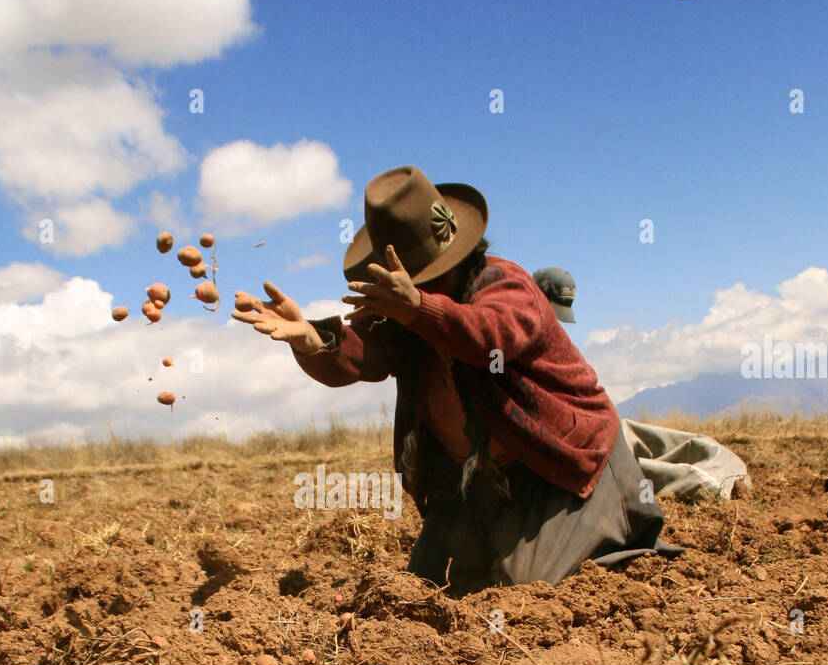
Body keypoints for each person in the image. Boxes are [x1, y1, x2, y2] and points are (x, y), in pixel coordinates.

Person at [232, 165, 680, 596]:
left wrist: (417, 308)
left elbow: (489, 339)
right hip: (478, 480)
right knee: (431, 585)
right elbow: (367, 353)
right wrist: (315, 339)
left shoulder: (505, 284)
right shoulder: (407, 319)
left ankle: (619, 520)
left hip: (560, 463)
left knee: (523, 588)